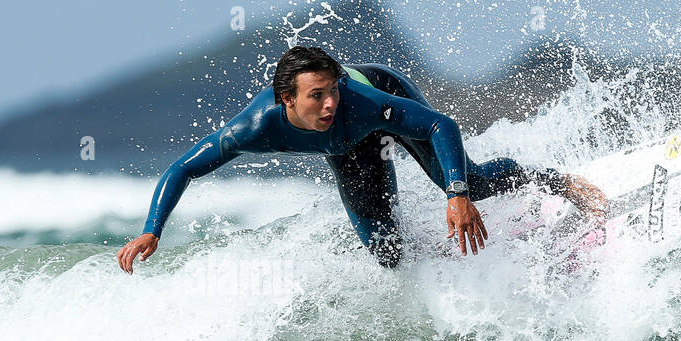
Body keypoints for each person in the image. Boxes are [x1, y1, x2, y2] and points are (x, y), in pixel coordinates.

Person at [117, 46, 606, 271]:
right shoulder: (253, 128)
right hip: (347, 150)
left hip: (386, 107)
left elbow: (440, 126)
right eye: (316, 97)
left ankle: (554, 181)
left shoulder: (362, 101)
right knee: (389, 255)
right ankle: (453, 259)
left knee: (468, 184)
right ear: (286, 99)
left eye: (333, 91)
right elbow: (183, 167)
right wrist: (152, 229)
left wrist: (456, 194)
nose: (329, 103)